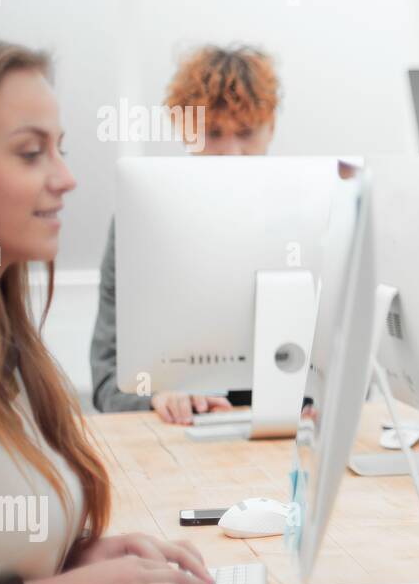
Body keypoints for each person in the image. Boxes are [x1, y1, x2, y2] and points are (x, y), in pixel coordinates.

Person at [0, 34, 215, 584]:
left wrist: (75, 559)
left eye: (59, 150)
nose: (66, 179)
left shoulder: (1, 348)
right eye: (31, 153)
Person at [89, 44, 280, 423]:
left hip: (279, 442)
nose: (232, 153)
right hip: (179, 441)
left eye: (246, 132)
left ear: (270, 128)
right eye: (213, 133)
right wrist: (154, 397)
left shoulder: (305, 218)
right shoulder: (139, 221)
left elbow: (344, 373)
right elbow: (107, 382)